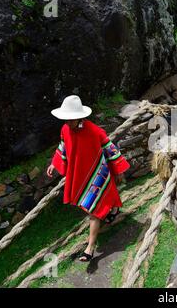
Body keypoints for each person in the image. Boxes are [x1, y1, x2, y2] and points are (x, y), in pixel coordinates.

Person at [47, 95, 130, 262]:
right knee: (94, 204)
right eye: (65, 119)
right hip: (78, 174)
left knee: (94, 210)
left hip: (98, 175)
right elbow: (63, 146)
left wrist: (119, 170)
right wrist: (54, 164)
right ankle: (113, 209)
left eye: (70, 119)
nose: (68, 122)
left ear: (80, 116)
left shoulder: (94, 131)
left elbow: (110, 149)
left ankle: (90, 248)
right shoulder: (65, 129)